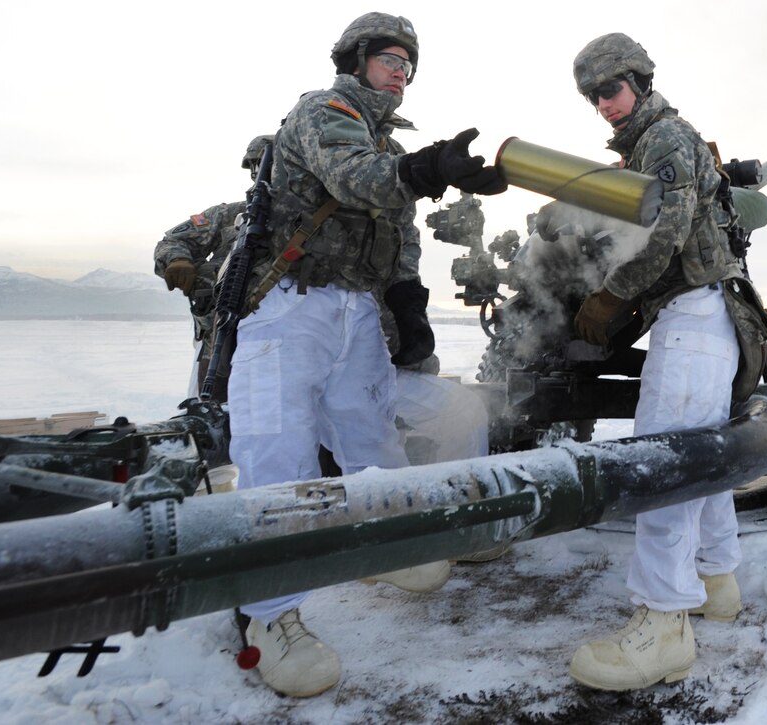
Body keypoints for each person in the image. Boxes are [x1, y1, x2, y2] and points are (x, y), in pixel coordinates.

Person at [227, 12, 505, 698]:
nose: (401, 73)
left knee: (370, 434)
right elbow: (356, 178)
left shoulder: (385, 139)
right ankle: (269, 615)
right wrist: (428, 166)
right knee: (279, 454)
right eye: (389, 59)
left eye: (409, 65)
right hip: (291, 305)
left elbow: (399, 233)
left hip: (354, 308)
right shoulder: (326, 112)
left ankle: (380, 544)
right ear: (356, 60)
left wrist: (407, 302)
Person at [561, 33, 767, 691]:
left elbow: (665, 235)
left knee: (662, 467)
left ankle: (663, 626)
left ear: (639, 80)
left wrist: (610, 296)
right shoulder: (652, 145)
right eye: (593, 96)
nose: (604, 103)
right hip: (703, 317)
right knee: (700, 460)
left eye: (611, 88)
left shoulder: (666, 140)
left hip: (692, 318)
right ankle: (716, 581)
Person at [152, 135, 271, 402]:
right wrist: (178, 260)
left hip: (281, 338)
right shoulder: (229, 215)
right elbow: (173, 241)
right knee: (213, 407)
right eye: (258, 165)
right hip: (219, 340)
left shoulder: (307, 220)